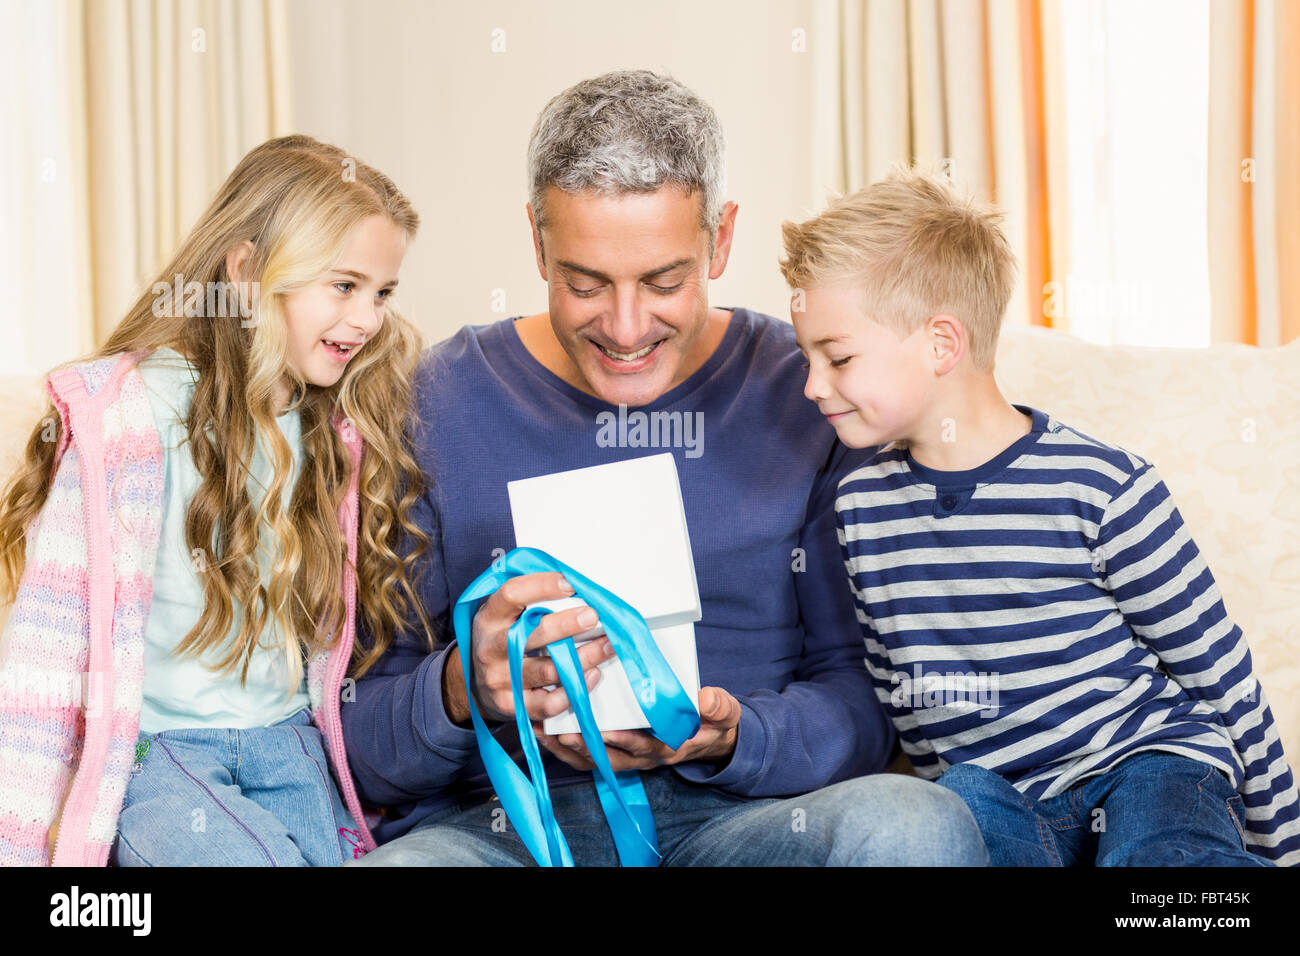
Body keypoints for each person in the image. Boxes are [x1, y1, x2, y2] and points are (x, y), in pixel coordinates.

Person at [342, 70, 988, 866]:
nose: (623, 327)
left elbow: (862, 694)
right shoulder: (435, 397)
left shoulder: (813, 393)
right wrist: (459, 688)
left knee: (914, 822)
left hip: (747, 820)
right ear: (538, 245)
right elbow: (360, 737)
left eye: (663, 281)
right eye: (584, 283)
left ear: (721, 240)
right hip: (510, 831)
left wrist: (733, 737)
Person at [781, 165, 1300, 866]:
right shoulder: (859, 508)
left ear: (941, 344)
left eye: (836, 358)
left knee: (1164, 853)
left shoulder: (1102, 486)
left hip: (1144, 763)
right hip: (1002, 800)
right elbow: (906, 701)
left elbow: (1222, 673)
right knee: (956, 802)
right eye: (806, 357)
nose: (813, 386)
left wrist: (1284, 845)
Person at [0, 135, 431, 866]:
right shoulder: (127, 417)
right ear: (247, 269)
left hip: (290, 746)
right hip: (164, 759)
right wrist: (16, 844)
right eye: (344, 285)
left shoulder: (335, 427)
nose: (366, 320)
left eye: (382, 294)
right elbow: (46, 652)